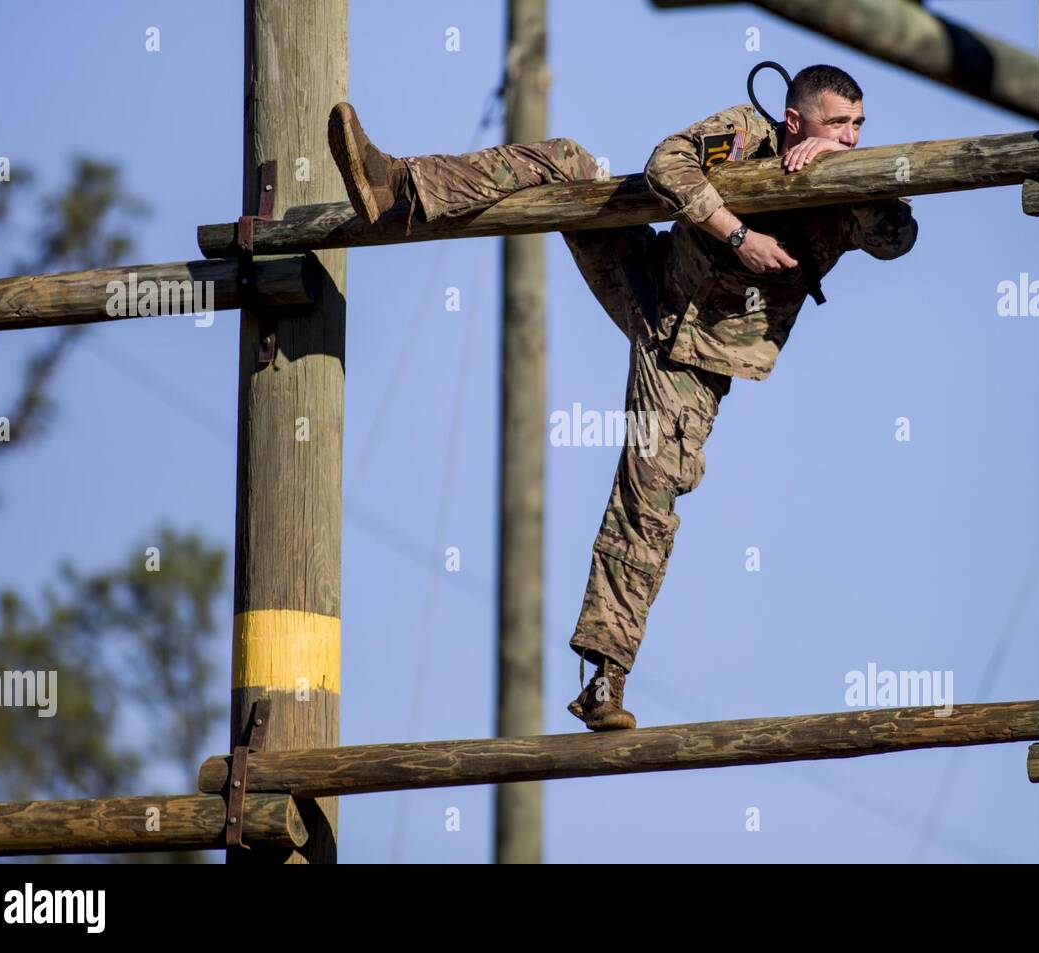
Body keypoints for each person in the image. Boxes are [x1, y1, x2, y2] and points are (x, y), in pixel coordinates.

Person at [327, 64, 917, 732]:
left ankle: (604, 682)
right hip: (650, 280)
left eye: (858, 125)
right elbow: (667, 160)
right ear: (793, 121)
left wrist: (843, 176)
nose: (851, 135)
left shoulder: (853, 179)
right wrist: (737, 233)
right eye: (837, 123)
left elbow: (899, 236)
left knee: (647, 497)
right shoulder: (747, 133)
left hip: (694, 357)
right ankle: (397, 183)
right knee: (568, 161)